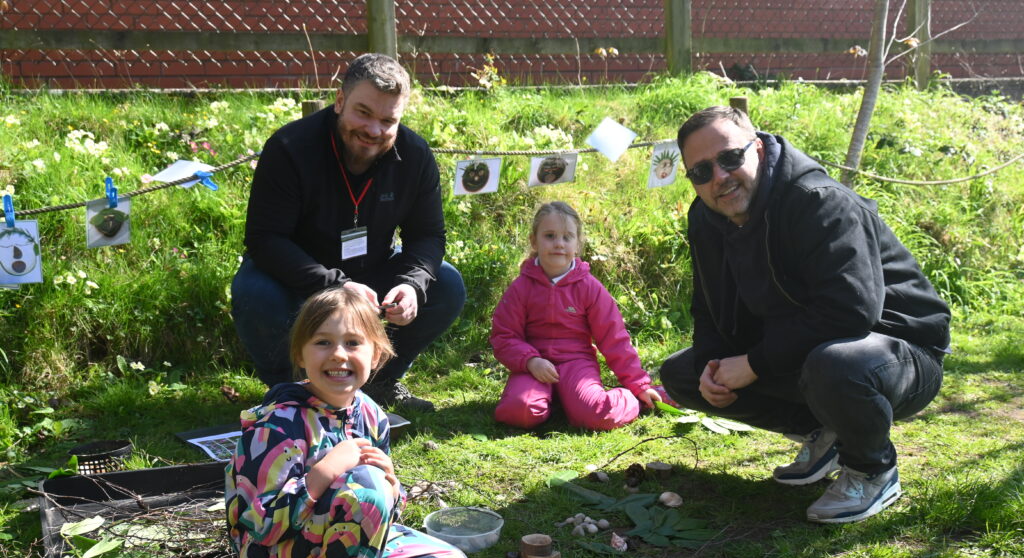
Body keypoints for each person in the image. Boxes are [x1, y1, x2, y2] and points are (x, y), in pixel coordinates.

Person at [660, 106, 950, 524]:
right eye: (701, 171)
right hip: (809, 350)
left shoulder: (818, 201)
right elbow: (708, 305)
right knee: (684, 373)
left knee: (835, 365)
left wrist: (755, 363)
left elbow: (850, 311)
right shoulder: (706, 219)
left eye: (729, 158)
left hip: (898, 353)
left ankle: (872, 470)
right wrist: (713, 362)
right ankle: (828, 432)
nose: (719, 178)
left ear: (757, 148)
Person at [225, 287, 471, 558]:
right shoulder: (278, 423)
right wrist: (323, 471)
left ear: (377, 354)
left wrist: (392, 485)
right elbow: (262, 527)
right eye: (323, 342)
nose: (339, 355)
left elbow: (379, 514)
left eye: (353, 342)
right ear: (300, 354)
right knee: (366, 487)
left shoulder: (370, 415)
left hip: (336, 544)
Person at [231, 53, 465, 412]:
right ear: (340, 101)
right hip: (298, 276)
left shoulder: (415, 156)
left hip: (373, 272)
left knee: (446, 283)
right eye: (364, 113)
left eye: (388, 120)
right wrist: (334, 285)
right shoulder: (290, 148)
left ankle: (380, 381)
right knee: (254, 290)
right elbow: (265, 239)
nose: (374, 130)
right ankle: (288, 390)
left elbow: (428, 236)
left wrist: (411, 284)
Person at [490, 201, 663, 431]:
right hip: (534, 366)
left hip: (576, 363)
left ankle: (628, 399)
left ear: (577, 244)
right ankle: (553, 399)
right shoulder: (521, 288)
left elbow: (614, 338)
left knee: (596, 416)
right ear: (534, 241)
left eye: (567, 237)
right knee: (518, 411)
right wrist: (530, 361)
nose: (558, 244)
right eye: (549, 236)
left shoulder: (589, 287)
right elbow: (504, 336)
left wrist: (638, 385)